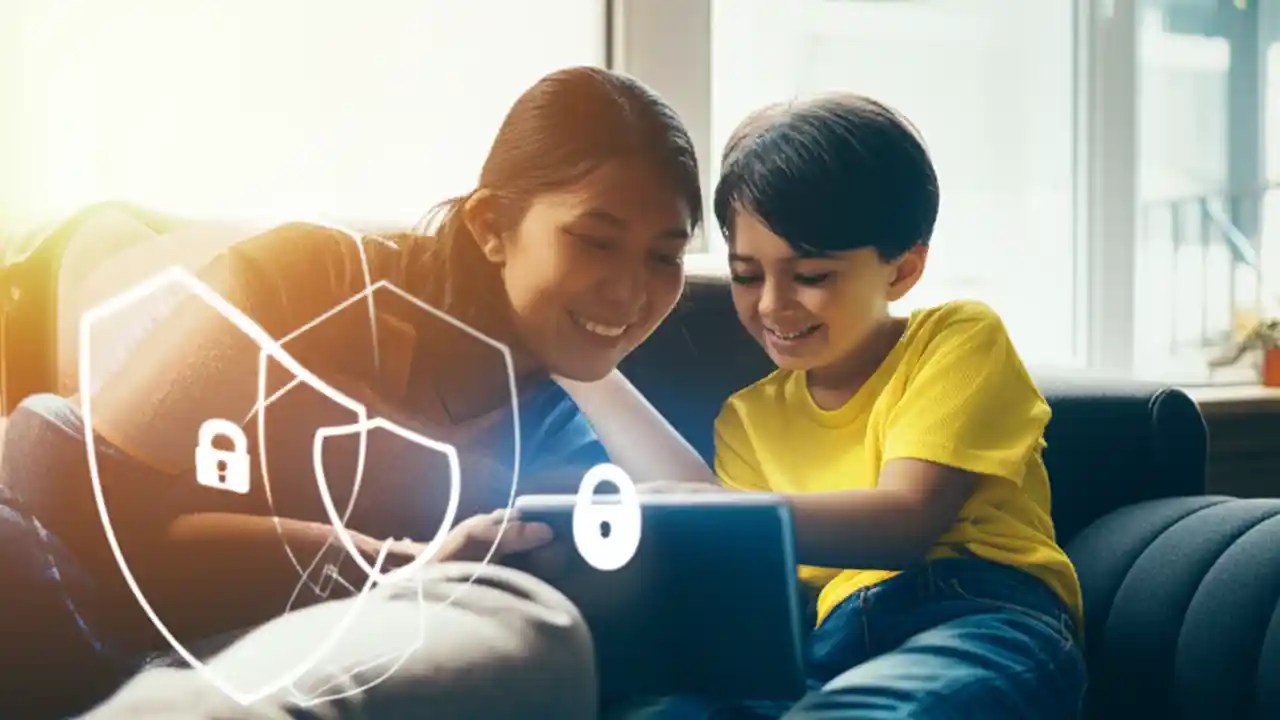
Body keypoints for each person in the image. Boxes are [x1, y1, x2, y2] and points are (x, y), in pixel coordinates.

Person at [0, 65, 708, 719]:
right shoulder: (312, 281)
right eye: (594, 240)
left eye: (664, 257)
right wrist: (399, 565)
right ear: (492, 226)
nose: (633, 290)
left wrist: (594, 348)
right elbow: (102, 514)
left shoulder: (564, 419)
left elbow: (704, 544)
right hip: (68, 595)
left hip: (265, 670)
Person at [578, 94, 1089, 719]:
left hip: (977, 616)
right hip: (829, 644)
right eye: (746, 274)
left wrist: (712, 506)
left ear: (902, 271)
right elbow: (757, 581)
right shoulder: (747, 418)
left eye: (811, 277)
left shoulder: (955, 340)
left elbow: (906, 521)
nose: (771, 305)